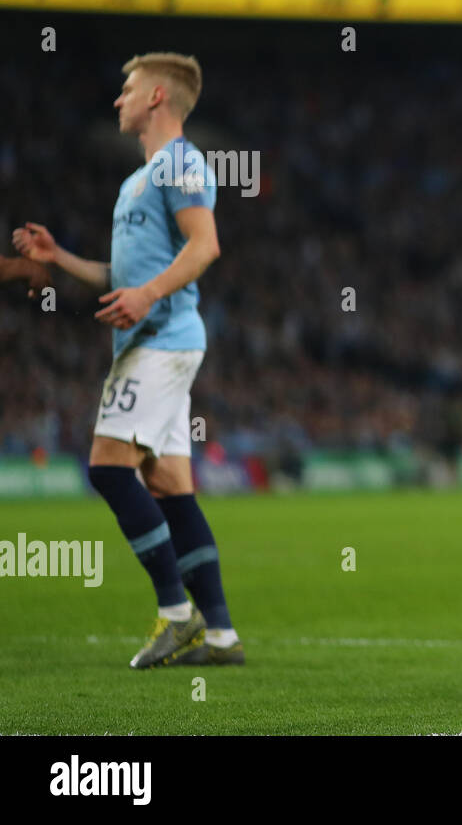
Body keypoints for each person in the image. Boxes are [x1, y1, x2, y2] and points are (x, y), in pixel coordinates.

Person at [12, 52, 242, 667]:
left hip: (162, 342)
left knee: (109, 471)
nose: (119, 100)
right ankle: (220, 635)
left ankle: (176, 613)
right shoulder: (136, 180)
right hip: (154, 341)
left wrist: (148, 296)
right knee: (169, 486)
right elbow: (122, 275)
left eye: (128, 89)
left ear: (158, 97)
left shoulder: (182, 162)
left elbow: (206, 245)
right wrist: (59, 258)